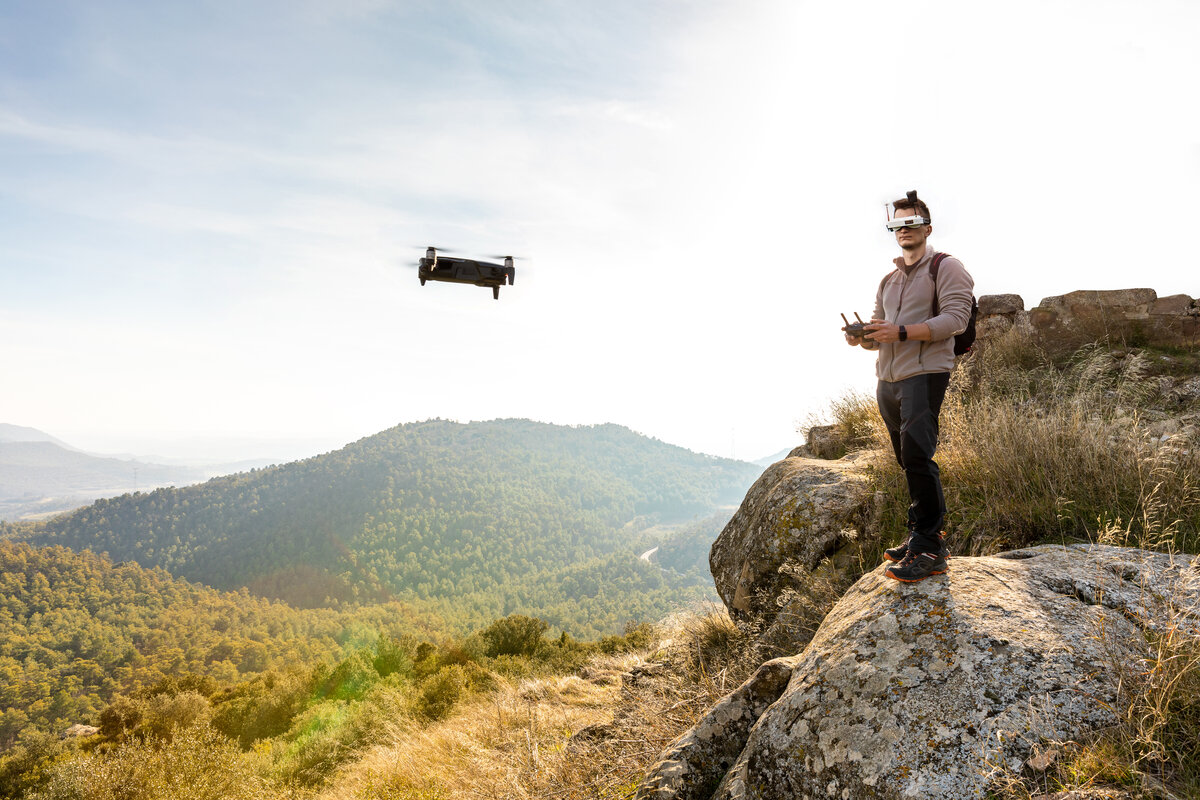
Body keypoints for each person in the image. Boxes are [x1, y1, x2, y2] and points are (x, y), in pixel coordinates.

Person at [845, 190, 974, 583]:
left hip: (925, 372)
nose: (903, 229)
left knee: (918, 455)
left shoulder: (947, 267)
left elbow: (955, 319)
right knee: (906, 458)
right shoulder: (889, 278)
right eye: (895, 224)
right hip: (888, 378)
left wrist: (900, 332)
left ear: (926, 228)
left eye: (911, 222)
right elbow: (879, 329)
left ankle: (931, 548)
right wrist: (863, 336)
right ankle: (921, 530)